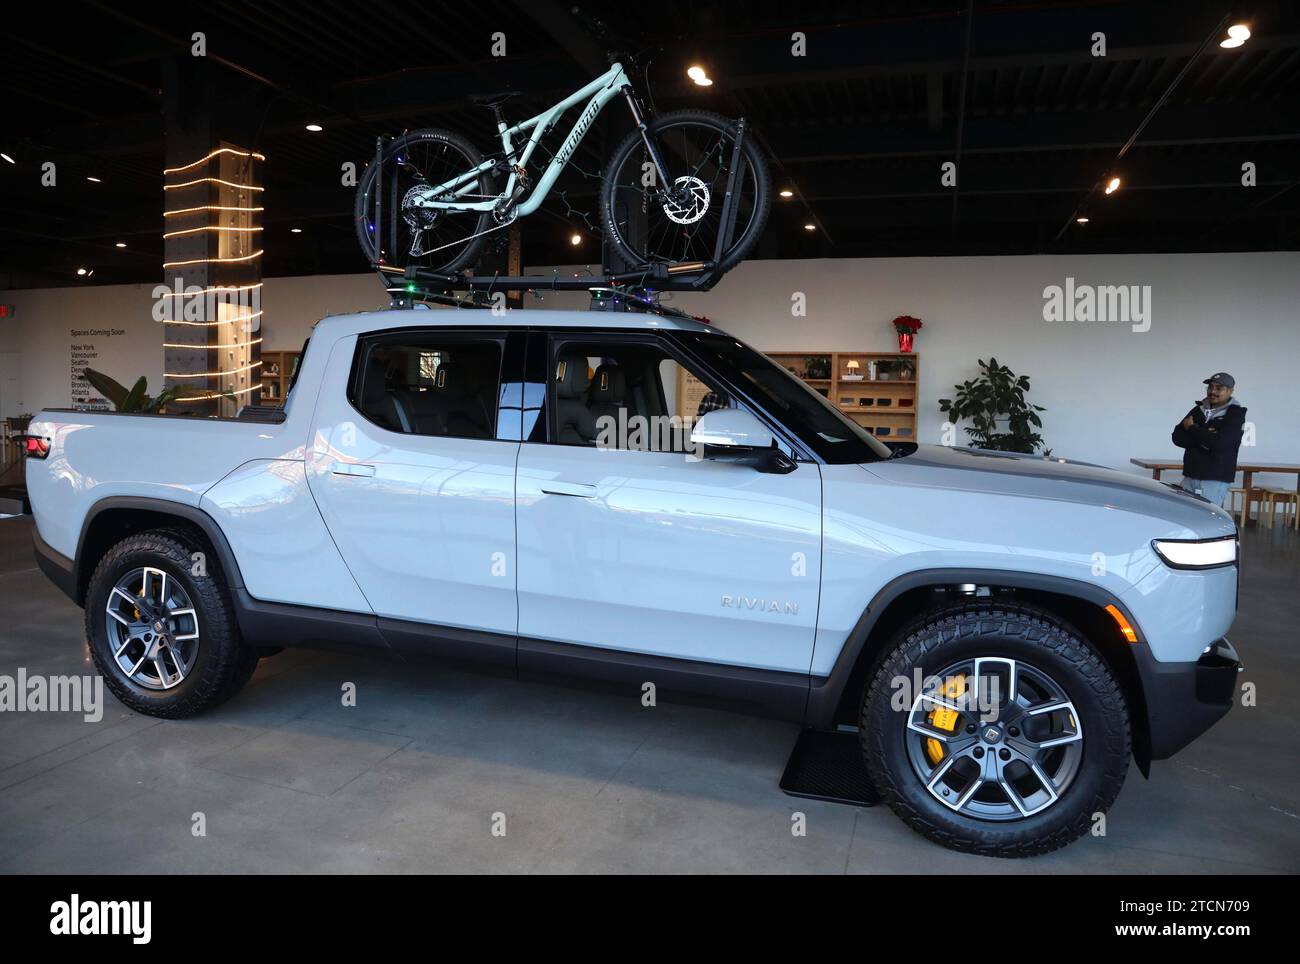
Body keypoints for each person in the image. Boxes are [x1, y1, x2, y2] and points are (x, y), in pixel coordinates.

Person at [1171, 372, 1246, 507]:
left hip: (1214, 479)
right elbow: (1177, 437)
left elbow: (1219, 443)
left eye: (1219, 388)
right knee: (1183, 516)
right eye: (1210, 387)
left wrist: (1193, 429)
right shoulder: (1198, 409)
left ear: (1230, 391)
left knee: (1206, 521)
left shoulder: (1235, 414)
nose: (1213, 391)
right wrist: (1206, 437)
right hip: (1190, 475)